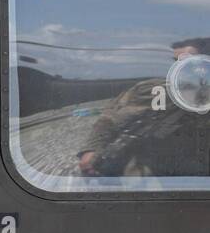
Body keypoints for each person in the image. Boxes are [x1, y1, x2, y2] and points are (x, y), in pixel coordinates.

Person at [77, 37, 210, 178]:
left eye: (188, 62)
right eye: (176, 62)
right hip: (156, 173)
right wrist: (91, 149)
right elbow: (112, 119)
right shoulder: (153, 91)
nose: (178, 67)